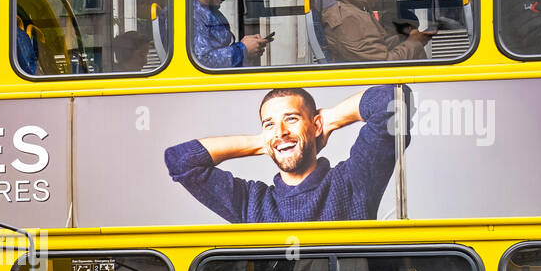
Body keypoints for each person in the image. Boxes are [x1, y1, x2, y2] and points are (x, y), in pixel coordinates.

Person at [164, 83, 411, 224]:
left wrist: (331, 120)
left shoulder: (354, 181)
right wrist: (264, 143)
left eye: (290, 119)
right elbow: (181, 161)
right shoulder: (251, 203)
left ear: (315, 125)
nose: (280, 131)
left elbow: (394, 100)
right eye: (269, 124)